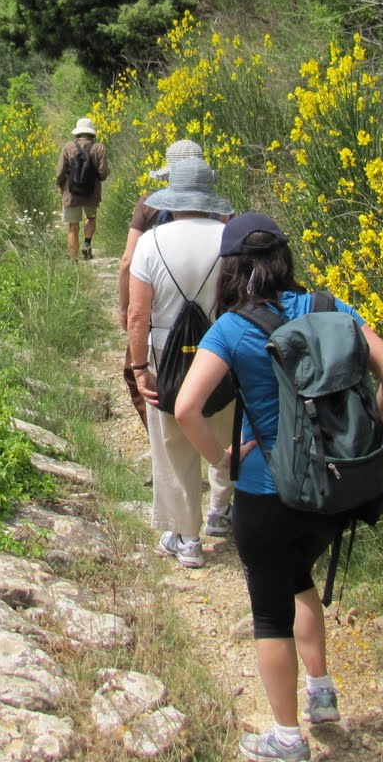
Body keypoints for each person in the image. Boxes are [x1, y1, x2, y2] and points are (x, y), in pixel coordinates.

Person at [175, 212, 383, 761]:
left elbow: (186, 407)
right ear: (283, 259)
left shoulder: (231, 328)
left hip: (266, 491)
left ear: (231, 268)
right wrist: (366, 438)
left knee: (270, 611)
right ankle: (321, 691)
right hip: (333, 490)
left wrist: (223, 460)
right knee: (300, 577)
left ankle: (286, 737)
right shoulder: (329, 307)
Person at [127, 156, 237, 568]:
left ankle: (187, 538)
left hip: (164, 352)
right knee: (223, 429)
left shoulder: (153, 242)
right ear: (209, 198)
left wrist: (140, 369)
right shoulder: (229, 238)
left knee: (173, 442)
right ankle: (221, 512)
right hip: (222, 349)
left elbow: (138, 315)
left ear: (173, 195)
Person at [117, 139, 214, 431]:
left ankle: (158, 442)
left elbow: (127, 262)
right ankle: (211, 451)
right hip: (212, 325)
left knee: (141, 378)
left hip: (156, 316)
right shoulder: (220, 214)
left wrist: (126, 309)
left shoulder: (148, 204)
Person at [55, 116, 110, 261]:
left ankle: (73, 260)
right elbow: (103, 173)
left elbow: (60, 171)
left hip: (71, 193)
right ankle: (87, 243)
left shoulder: (68, 147)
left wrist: (61, 186)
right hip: (92, 193)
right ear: (92, 133)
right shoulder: (99, 148)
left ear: (77, 132)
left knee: (73, 226)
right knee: (91, 218)